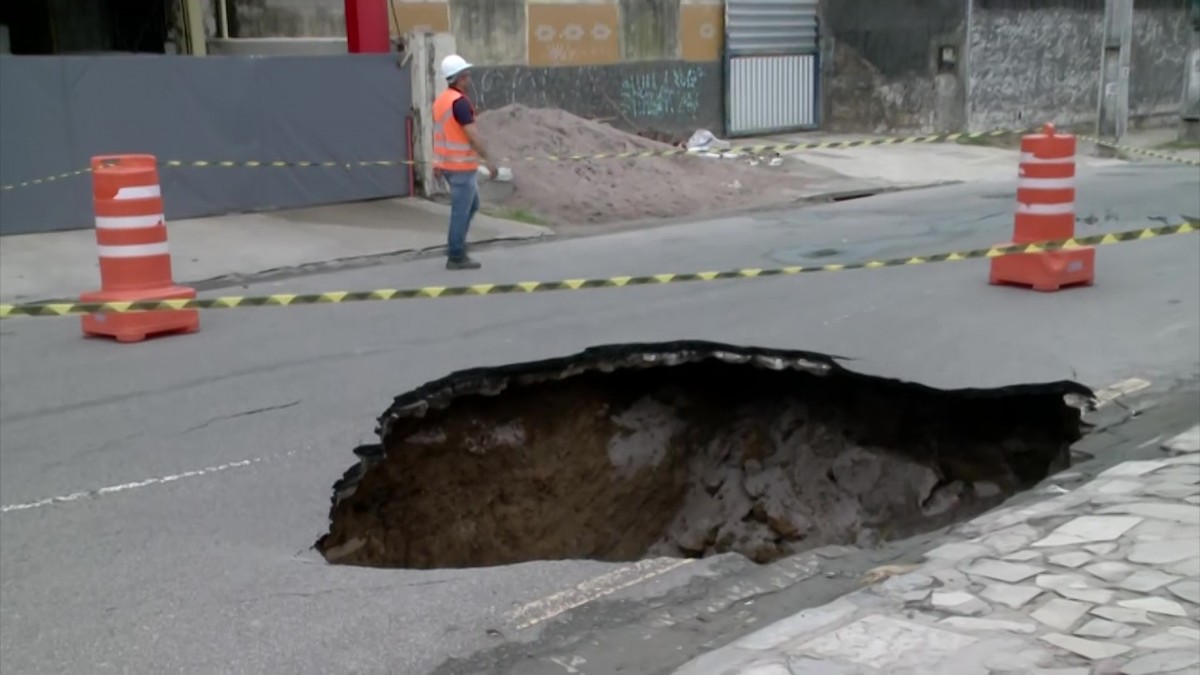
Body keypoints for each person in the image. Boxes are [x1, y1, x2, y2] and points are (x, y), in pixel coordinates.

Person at [433, 54, 498, 270]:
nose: (469, 77)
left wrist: (437, 162)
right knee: (461, 212)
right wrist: (489, 160)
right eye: (466, 74)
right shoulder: (459, 103)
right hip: (461, 167)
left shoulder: (441, 100)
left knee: (472, 205)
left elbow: (441, 134)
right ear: (459, 77)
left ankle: (457, 241)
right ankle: (456, 255)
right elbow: (472, 136)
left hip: (448, 164)